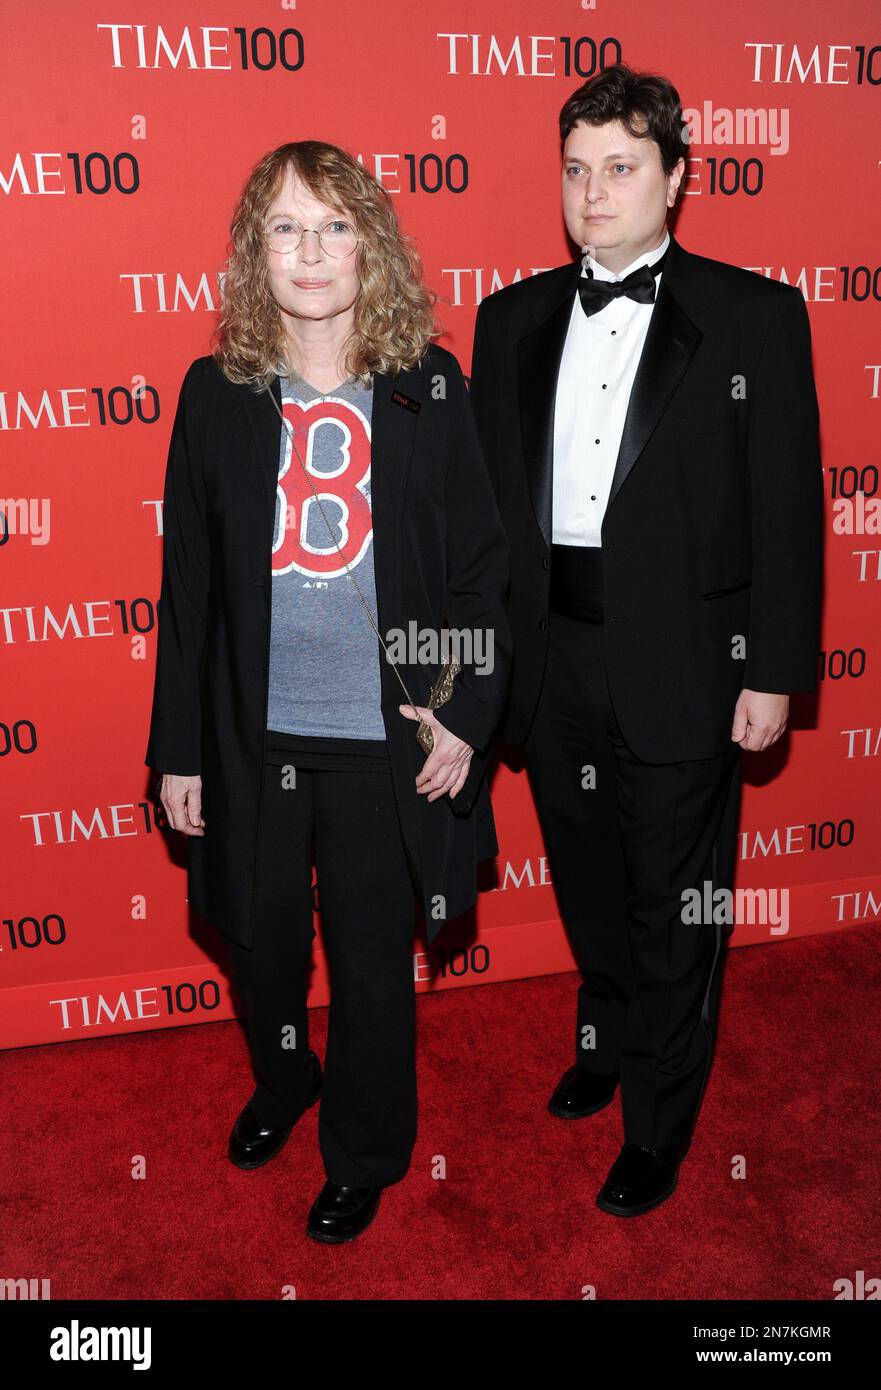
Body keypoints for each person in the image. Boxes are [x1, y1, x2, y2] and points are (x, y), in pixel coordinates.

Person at [469, 64, 822, 1216]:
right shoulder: (509, 318)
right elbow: (482, 520)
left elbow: (785, 507)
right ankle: (611, 1039)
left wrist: (772, 672)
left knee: (676, 905)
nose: (593, 192)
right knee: (589, 885)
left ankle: (661, 1121)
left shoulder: (752, 316)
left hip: (688, 666)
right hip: (550, 659)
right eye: (574, 171)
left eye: (619, 168)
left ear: (675, 176)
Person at [145, 140, 511, 1243]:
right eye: (286, 228)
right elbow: (189, 589)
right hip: (252, 736)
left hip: (376, 735)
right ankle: (285, 1076)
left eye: (335, 225)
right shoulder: (215, 394)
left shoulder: (427, 384)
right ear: (256, 253)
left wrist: (460, 710)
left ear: (373, 245)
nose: (311, 252)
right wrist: (180, 747)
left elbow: (481, 568)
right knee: (256, 942)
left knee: (367, 964)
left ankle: (362, 1146)